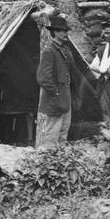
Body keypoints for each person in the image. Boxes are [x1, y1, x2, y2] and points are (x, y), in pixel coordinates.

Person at [35, 15, 74, 147]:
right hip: (54, 100)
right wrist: (56, 93)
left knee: (63, 134)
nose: (66, 33)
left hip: (65, 99)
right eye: (63, 31)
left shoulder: (66, 50)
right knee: (52, 135)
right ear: (55, 32)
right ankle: (47, 161)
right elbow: (43, 78)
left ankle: (60, 161)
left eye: (66, 31)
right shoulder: (49, 51)